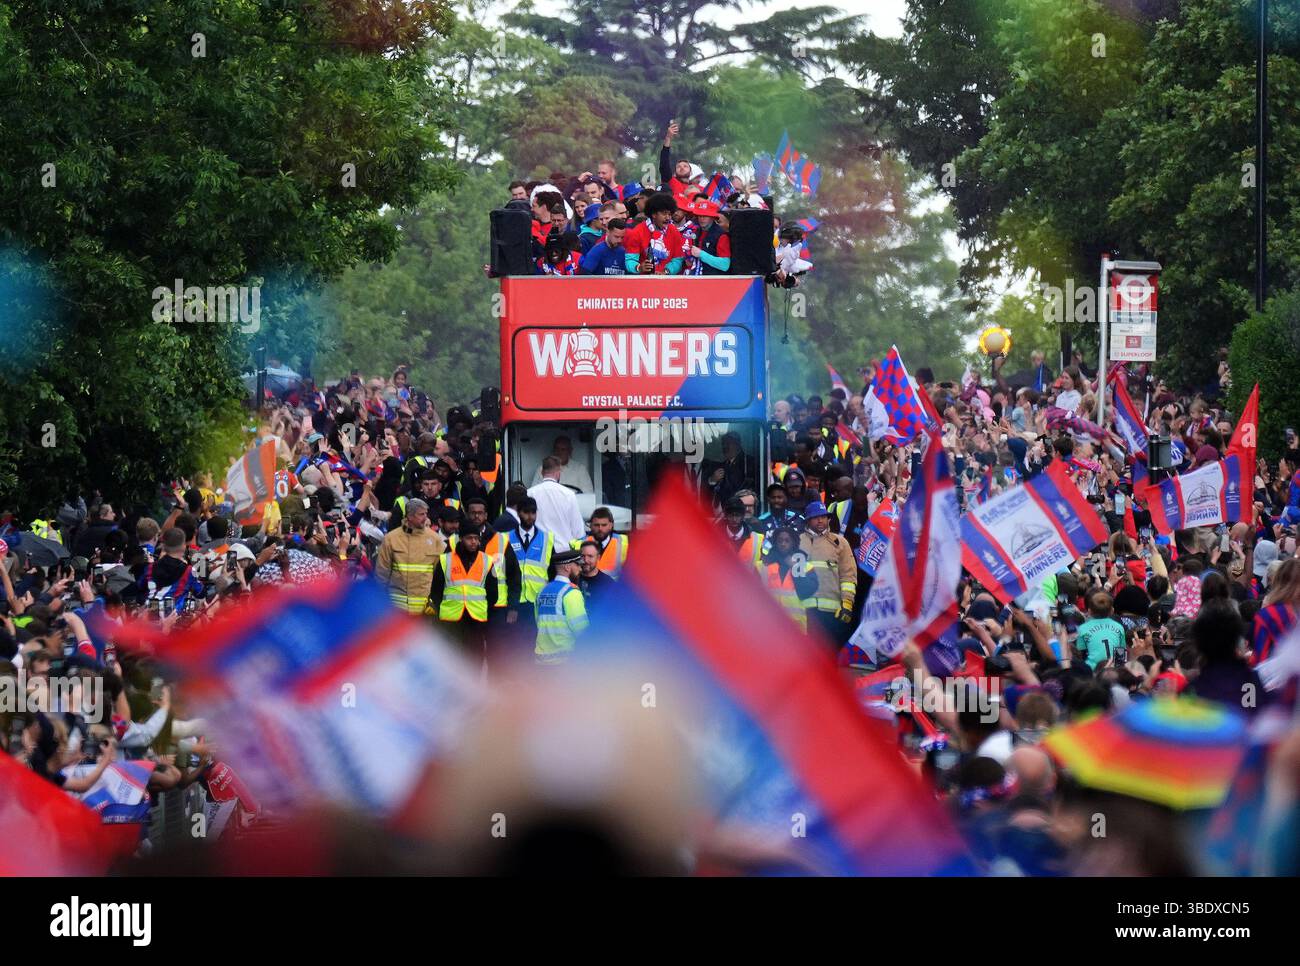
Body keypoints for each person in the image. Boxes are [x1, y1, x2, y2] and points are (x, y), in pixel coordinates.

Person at [427, 528, 497, 663]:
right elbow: (436, 590)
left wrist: (484, 610)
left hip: (476, 619)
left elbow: (493, 592)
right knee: (452, 660)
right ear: (461, 539)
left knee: (475, 660)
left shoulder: (487, 561)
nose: (473, 542)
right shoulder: (445, 559)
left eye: (476, 538)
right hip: (451, 619)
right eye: (469, 538)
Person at [797, 502, 857, 648]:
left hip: (832, 611)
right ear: (807, 520)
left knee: (829, 654)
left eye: (824, 517)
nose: (820, 521)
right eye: (815, 517)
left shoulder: (839, 542)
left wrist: (847, 603)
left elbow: (848, 576)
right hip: (803, 609)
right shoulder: (797, 541)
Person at [375, 497, 446, 615]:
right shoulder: (391, 539)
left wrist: (434, 603)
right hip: (396, 609)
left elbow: (439, 576)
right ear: (409, 516)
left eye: (426, 514)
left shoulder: (435, 540)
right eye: (421, 514)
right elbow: (381, 574)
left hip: (424, 611)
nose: (425, 518)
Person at [507, 496, 554, 639]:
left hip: (538, 602)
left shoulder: (547, 539)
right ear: (519, 513)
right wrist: (511, 606)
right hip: (515, 602)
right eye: (526, 512)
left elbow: (552, 572)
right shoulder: (506, 538)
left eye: (533, 512)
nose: (530, 516)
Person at [535, 548, 588, 665]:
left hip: (541, 661)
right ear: (567, 567)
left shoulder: (541, 591)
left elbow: (537, 622)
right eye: (578, 565)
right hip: (564, 663)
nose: (580, 569)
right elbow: (582, 630)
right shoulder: (571, 592)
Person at [762, 526, 819, 631]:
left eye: (787, 541)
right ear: (775, 542)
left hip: (794, 628)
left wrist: (795, 568)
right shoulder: (764, 565)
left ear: (793, 543)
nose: (783, 544)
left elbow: (806, 591)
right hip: (767, 626)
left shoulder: (805, 566)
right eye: (780, 540)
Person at [528, 456, 585, 547]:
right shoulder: (569, 494)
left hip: (538, 551)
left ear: (542, 472)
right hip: (563, 552)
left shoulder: (530, 493)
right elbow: (578, 531)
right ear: (558, 473)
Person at [571, 506, 628, 579]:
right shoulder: (578, 544)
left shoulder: (623, 543)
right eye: (596, 525)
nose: (600, 529)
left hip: (612, 588)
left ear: (611, 525)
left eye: (604, 525)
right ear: (590, 525)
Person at [1076, 590, 1127, 669]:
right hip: (1113, 669)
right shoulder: (1119, 627)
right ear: (1112, 611)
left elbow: (1081, 654)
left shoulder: (1082, 629)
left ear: (1089, 611)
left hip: (1092, 669)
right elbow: (1121, 653)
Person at [529, 436, 594, 493]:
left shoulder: (580, 469)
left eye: (563, 449)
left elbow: (588, 494)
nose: (559, 452)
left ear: (570, 451)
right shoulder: (543, 468)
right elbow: (534, 491)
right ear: (553, 450)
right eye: (557, 449)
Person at [720, 497, 765, 571]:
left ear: (743, 516)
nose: (734, 519)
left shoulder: (758, 539)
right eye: (731, 515)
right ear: (725, 516)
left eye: (737, 515)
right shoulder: (714, 538)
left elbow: (767, 563)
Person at [577, 540, 616, 607]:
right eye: (582, 556)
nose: (586, 560)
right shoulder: (571, 580)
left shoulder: (609, 583)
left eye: (590, 556)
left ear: (598, 557)